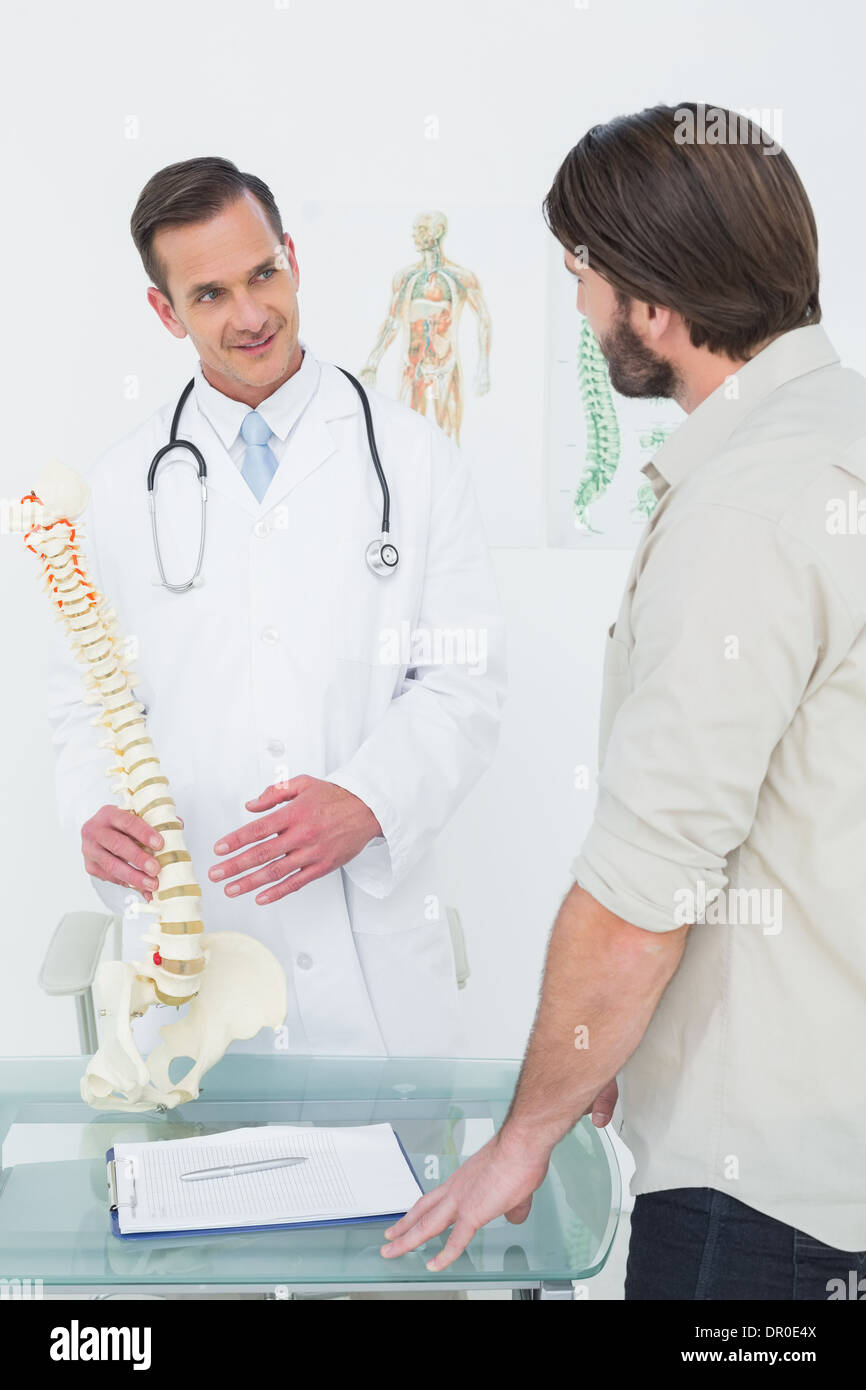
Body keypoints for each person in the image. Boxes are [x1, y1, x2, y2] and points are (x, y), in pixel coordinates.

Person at [380, 102, 866, 1300]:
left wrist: (523, 1135)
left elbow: (643, 889)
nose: (580, 310)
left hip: (767, 1202)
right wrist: (605, 1041)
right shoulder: (836, 441)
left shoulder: (746, 511)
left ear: (652, 300)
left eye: (582, 278)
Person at [46, 156, 505, 1059]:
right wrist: (95, 813)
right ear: (165, 311)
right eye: (210, 294)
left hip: (371, 957)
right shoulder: (118, 487)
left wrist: (369, 801)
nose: (251, 315)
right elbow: (85, 702)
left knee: (391, 1190)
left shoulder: (412, 462)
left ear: (292, 256)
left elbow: (463, 683)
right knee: (201, 1179)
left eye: (264, 274)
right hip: (195, 942)